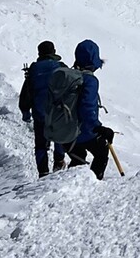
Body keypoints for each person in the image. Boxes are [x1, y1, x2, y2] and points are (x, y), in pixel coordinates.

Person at [65, 39, 115, 179]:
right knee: (101, 151)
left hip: (65, 132)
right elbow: (87, 108)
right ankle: (93, 183)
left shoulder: (69, 76)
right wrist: (99, 128)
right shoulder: (89, 81)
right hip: (81, 132)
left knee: (78, 158)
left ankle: (71, 184)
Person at [18, 40, 67, 177]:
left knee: (40, 145)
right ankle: (59, 161)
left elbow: (26, 93)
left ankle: (43, 172)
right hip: (57, 111)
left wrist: (26, 113)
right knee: (59, 137)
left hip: (39, 113)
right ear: (54, 51)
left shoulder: (33, 70)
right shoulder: (61, 67)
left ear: (39, 53)